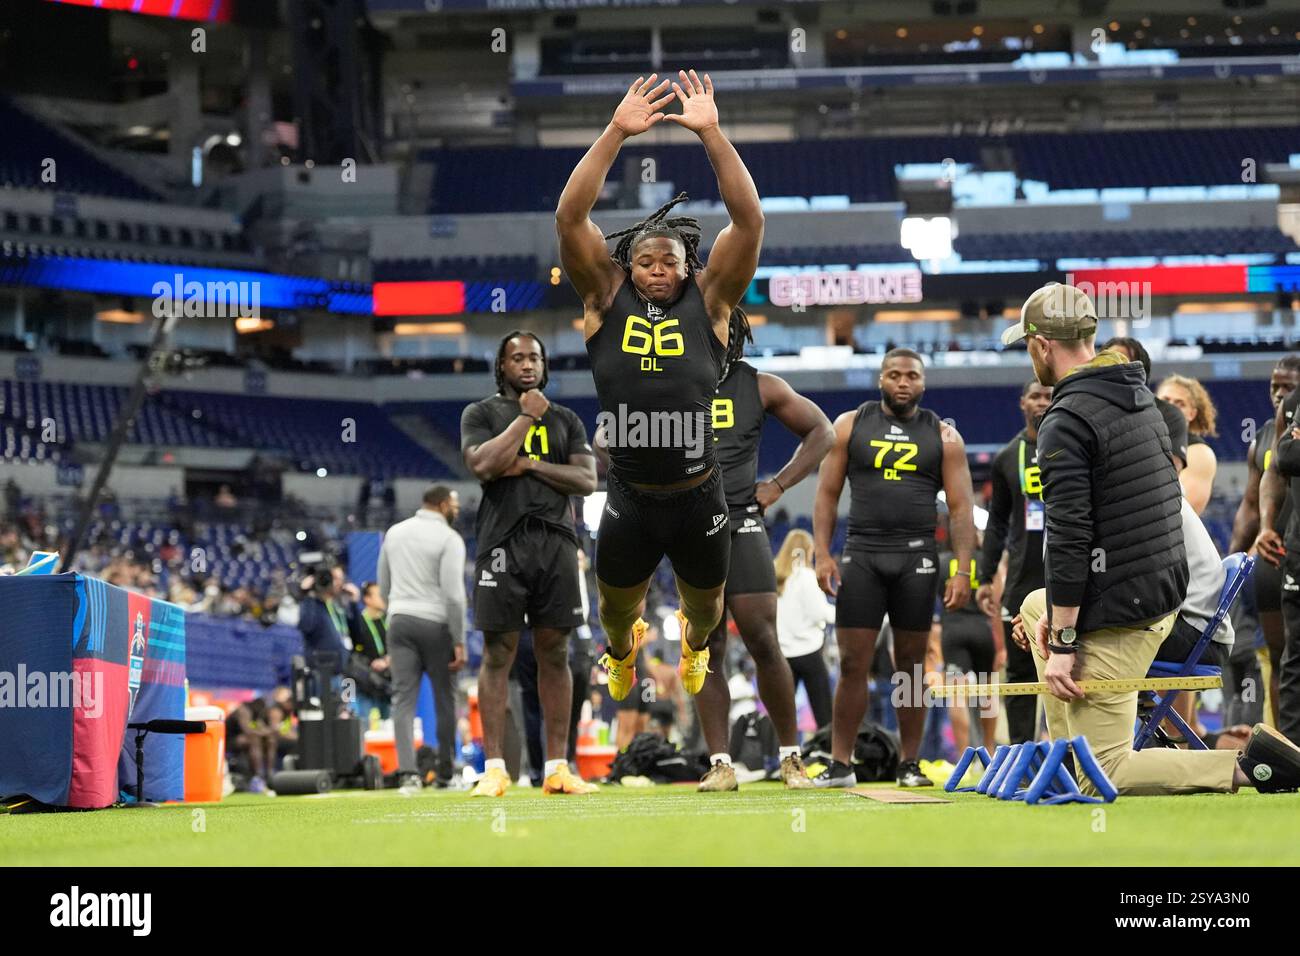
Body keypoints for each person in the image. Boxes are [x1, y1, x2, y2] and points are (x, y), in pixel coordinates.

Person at [1002, 282, 1300, 795]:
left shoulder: (1066, 419)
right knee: (1035, 605)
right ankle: (1068, 756)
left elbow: (1073, 534)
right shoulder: (1142, 401)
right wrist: (1059, 611)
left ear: (1041, 344)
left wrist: (1068, 639)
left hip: (1128, 609)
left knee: (1108, 773)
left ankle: (1246, 769)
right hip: (1160, 597)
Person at [555, 70, 762, 709]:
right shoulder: (601, 296)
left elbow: (748, 220)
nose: (657, 270)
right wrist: (618, 130)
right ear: (627, 265)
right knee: (615, 617)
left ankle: (695, 645)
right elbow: (570, 214)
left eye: (670, 260)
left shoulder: (713, 299)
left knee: (707, 609)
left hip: (700, 490)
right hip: (630, 494)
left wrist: (712, 134)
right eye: (645, 261)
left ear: (688, 264)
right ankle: (623, 652)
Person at [812, 348, 978, 788]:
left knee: (911, 666)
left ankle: (908, 763)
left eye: (911, 376)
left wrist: (962, 571)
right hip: (862, 555)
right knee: (852, 663)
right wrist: (822, 553)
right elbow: (826, 494)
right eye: (894, 375)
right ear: (880, 379)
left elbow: (961, 510)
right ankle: (841, 763)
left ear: (923, 383)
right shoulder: (849, 424)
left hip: (916, 559)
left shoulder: (944, 437)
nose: (903, 383)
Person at [461, 330, 598, 797]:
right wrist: (523, 419)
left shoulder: (566, 420)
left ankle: (557, 768)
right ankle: (495, 767)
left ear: (544, 364)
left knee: (555, 653)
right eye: (516, 358)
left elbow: (585, 479)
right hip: (501, 543)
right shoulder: (480, 413)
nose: (526, 365)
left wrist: (532, 465)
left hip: (557, 543)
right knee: (498, 652)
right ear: (501, 366)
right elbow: (483, 466)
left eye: (534, 358)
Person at [689, 358, 833, 791]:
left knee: (764, 639)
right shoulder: (669, 374)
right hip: (688, 526)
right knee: (704, 644)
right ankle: (721, 765)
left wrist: (779, 484)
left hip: (741, 520)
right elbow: (609, 435)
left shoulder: (759, 384)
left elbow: (822, 432)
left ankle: (791, 759)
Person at [975, 380, 1053, 744]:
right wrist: (986, 577)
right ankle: (1024, 756)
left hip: (1070, 580)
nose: (1042, 402)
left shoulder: (1075, 446)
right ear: (1022, 402)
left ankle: (1072, 756)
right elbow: (997, 523)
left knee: (1073, 668)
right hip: (1023, 583)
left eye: (1050, 396)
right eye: (1036, 396)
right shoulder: (1008, 457)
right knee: (1021, 675)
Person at [379, 486, 467, 790]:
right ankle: (445, 774)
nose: (456, 509)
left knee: (402, 699)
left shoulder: (394, 532)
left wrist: (396, 611)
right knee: (445, 700)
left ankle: (408, 775)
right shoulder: (449, 538)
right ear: (443, 505)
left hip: (400, 620)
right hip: (437, 624)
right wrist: (459, 639)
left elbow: (383, 584)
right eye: (454, 504)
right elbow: (454, 596)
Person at [1231, 354, 1300, 727]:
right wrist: (1232, 558)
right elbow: (1250, 504)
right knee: (1281, 657)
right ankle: (1284, 745)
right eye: (1274, 386)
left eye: (1287, 386)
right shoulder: (1262, 438)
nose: (1278, 393)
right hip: (1273, 557)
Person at [1263, 382, 1300, 748]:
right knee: (1292, 656)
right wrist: (1263, 527)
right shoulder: (1294, 405)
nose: (1279, 393)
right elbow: (1286, 456)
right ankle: (1292, 755)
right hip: (1295, 550)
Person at [937, 540, 1000, 755]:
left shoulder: (942, 562)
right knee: (988, 692)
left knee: (956, 696)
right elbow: (998, 600)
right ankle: (989, 750)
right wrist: (1001, 647)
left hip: (953, 630)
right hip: (983, 629)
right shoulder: (986, 562)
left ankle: (965, 756)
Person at [775, 528, 834, 732]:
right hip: (808, 652)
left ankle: (782, 754)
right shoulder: (806, 577)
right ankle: (827, 752)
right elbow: (820, 613)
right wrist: (846, 614)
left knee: (783, 712)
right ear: (806, 550)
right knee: (824, 711)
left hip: (783, 653)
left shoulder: (776, 577)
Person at [1156, 373, 1218, 515]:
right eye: (1165, 400)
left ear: (1192, 414)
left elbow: (1183, 510)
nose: (1170, 408)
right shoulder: (1146, 440)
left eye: (1180, 404)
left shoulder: (1199, 453)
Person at [348, 581, 392, 721]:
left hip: (388, 683)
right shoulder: (359, 622)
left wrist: (388, 660)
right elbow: (353, 651)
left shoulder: (389, 621)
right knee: (363, 723)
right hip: (366, 684)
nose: (383, 598)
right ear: (367, 599)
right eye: (379, 595)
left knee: (389, 725)